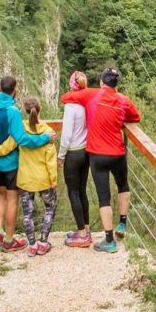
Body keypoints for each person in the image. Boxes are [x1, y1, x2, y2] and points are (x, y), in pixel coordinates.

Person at [60, 67, 140, 253]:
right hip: (118, 151)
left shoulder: (92, 95)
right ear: (116, 84)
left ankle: (109, 240)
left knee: (104, 197)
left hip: (98, 155)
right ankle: (122, 223)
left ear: (102, 82)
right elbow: (136, 117)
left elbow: (66, 98)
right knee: (123, 185)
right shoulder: (123, 100)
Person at [0, 75, 53, 252]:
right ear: (14, 90)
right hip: (11, 163)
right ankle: (9, 240)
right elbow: (22, 139)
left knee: (1, 196)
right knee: (12, 199)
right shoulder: (12, 111)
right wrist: (45, 138)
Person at [0, 97, 58, 256]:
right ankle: (43, 242)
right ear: (39, 109)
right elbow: (51, 160)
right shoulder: (48, 132)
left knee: (28, 213)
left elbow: (6, 148)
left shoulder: (19, 130)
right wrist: (53, 180)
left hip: (25, 179)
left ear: (25, 111)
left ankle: (32, 246)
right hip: (44, 179)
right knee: (50, 208)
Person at [58, 71, 92, 247]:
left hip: (72, 152)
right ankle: (86, 229)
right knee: (82, 190)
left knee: (73, 192)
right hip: (86, 152)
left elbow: (66, 134)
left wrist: (61, 154)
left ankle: (81, 235)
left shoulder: (71, 106)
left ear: (72, 85)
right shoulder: (88, 104)